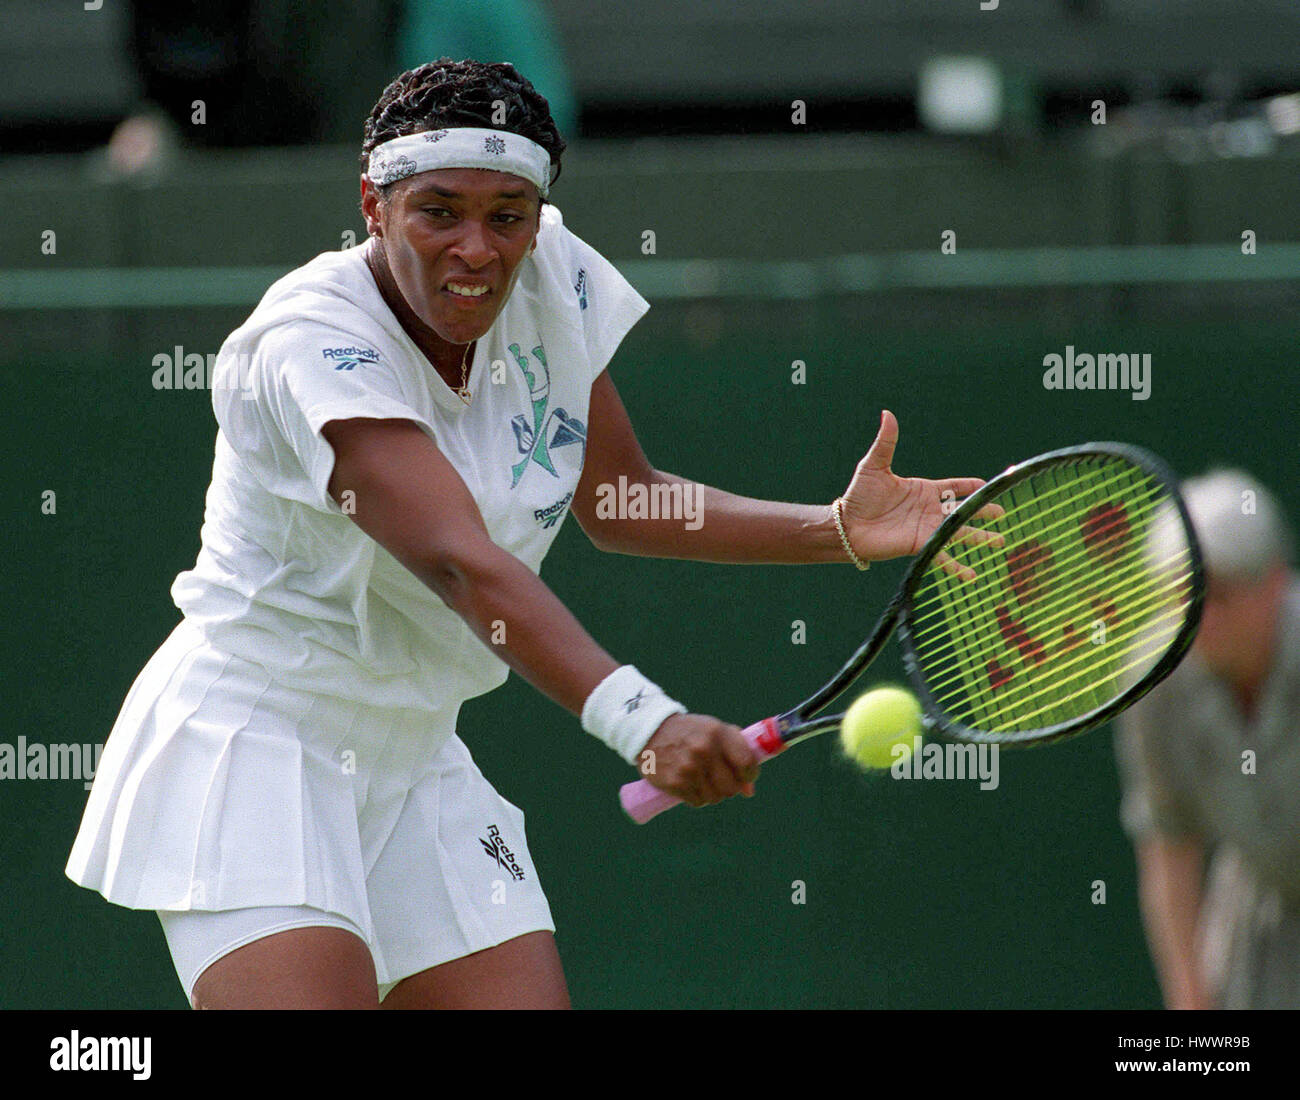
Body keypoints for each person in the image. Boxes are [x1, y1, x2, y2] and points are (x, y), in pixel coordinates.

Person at [66, 57, 989, 1009]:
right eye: (439, 212)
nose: (478, 248)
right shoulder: (310, 342)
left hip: (416, 752)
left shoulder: (554, 279)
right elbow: (463, 567)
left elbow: (620, 499)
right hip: (257, 743)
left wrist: (832, 530)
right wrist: (645, 723)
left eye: (508, 215)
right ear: (373, 207)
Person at [1115, 468, 1300, 1009]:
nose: (1200, 620)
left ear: (1274, 582)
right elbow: (1168, 840)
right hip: (1261, 923)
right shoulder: (1153, 683)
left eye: (1218, 596)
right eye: (1182, 598)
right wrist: (1189, 1002)